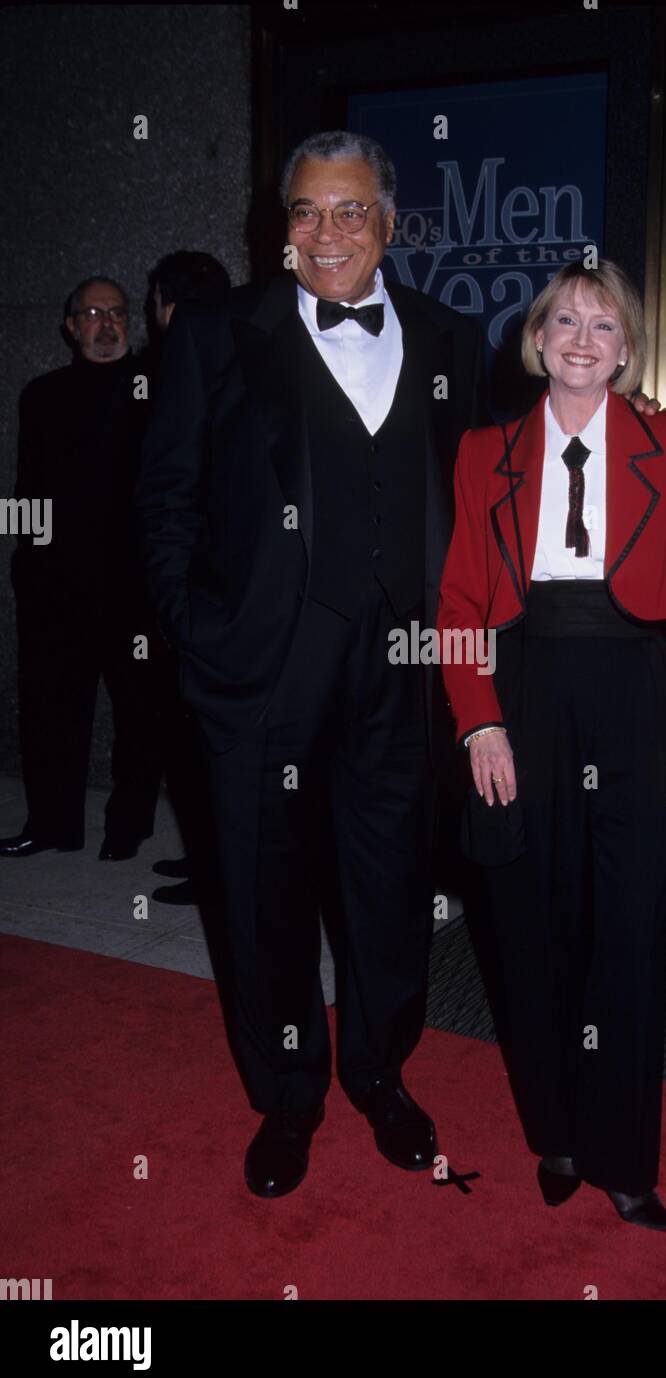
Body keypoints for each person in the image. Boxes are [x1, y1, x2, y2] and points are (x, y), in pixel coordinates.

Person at [135, 131, 487, 1198]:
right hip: (261, 668)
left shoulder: (447, 336)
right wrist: (199, 632)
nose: (322, 233)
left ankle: (379, 1071)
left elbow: (490, 482)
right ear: (276, 224)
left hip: (400, 662)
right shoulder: (211, 335)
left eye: (346, 212)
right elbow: (163, 502)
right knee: (261, 890)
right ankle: (289, 1092)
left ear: (388, 224)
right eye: (302, 211)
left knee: (388, 885)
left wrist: (627, 416)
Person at [437, 260, 666, 1231]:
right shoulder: (484, 452)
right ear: (536, 338)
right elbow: (461, 604)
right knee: (531, 918)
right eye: (565, 320)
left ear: (625, 349)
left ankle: (623, 1158)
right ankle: (555, 1131)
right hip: (524, 688)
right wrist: (477, 717)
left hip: (638, 692)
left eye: (604, 326)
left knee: (629, 928)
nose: (582, 338)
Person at [2, 277, 163, 861]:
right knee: (50, 713)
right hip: (57, 591)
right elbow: (28, 488)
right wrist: (27, 560)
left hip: (135, 592)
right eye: (92, 313)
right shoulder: (40, 395)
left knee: (140, 716)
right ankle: (52, 825)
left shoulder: (154, 386)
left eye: (117, 312)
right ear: (70, 327)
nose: (106, 323)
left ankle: (129, 826)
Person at [143, 251, 231, 907]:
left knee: (206, 746)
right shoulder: (244, 342)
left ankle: (215, 869)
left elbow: (169, 485)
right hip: (221, 589)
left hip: (206, 591)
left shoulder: (184, 351)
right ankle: (210, 862)